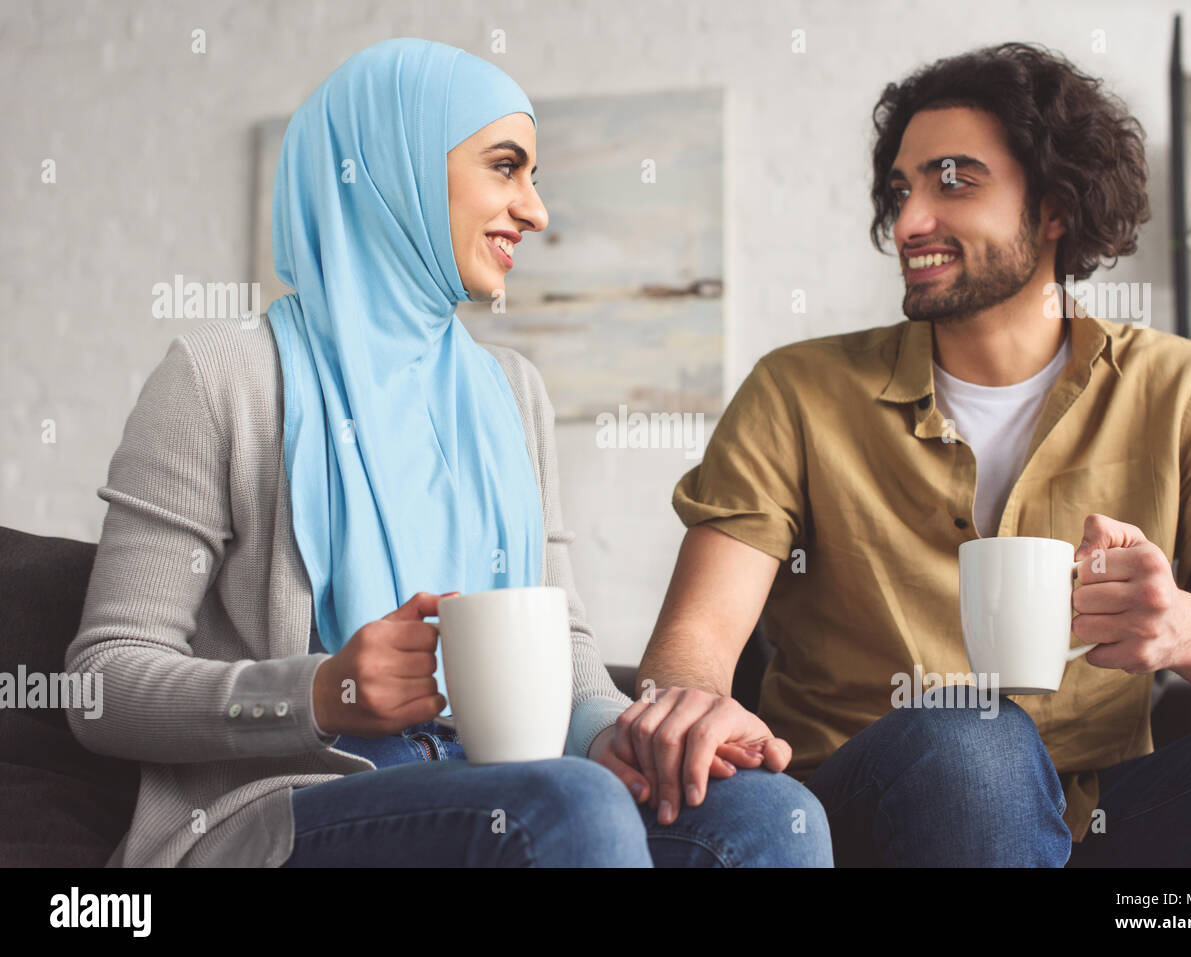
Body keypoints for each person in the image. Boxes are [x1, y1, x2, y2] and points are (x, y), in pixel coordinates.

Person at [65, 38, 831, 867]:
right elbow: (101, 683)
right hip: (292, 807)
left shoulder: (511, 391)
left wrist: (638, 733)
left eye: (533, 177)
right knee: (567, 804)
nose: (536, 211)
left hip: (501, 784)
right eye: (506, 168)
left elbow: (565, 657)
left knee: (768, 813)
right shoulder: (223, 376)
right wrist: (320, 691)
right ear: (393, 169)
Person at [604, 42, 1191, 866]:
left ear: (1055, 206)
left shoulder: (1185, 388)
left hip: (1106, 817)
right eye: (901, 190)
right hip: (873, 808)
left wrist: (1189, 628)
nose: (907, 222)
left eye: (953, 180)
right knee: (974, 735)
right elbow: (691, 647)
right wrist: (689, 703)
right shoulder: (796, 392)